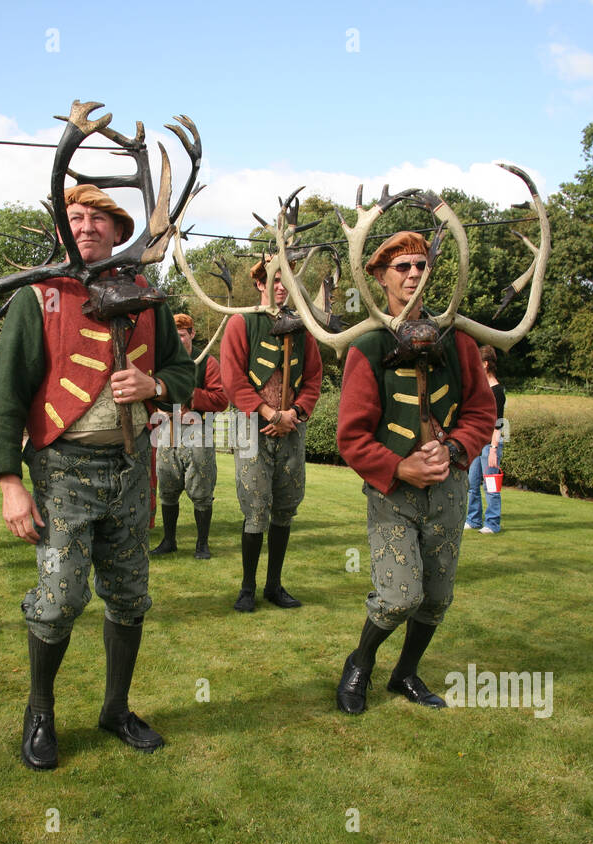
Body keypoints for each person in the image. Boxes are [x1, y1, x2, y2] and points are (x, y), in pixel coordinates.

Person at [0, 184, 194, 771]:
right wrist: (9, 481)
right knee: (58, 600)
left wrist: (155, 387)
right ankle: (40, 711)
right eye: (75, 218)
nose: (86, 227)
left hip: (131, 471)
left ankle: (115, 709)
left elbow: (182, 372)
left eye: (98, 219)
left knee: (130, 597)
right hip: (62, 470)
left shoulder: (147, 298)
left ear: (118, 229)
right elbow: (7, 394)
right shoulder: (41, 297)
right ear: (62, 229)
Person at [333, 231, 495, 714]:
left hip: (448, 489)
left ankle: (404, 673)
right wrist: (400, 465)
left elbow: (480, 412)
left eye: (421, 265)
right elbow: (352, 436)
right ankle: (359, 663)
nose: (413, 274)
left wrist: (457, 450)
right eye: (401, 266)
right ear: (381, 277)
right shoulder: (368, 345)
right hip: (393, 494)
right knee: (399, 594)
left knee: (438, 594)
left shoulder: (458, 341)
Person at [219, 257, 323, 611]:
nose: (282, 286)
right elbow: (232, 380)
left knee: (284, 509)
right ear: (260, 284)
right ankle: (247, 587)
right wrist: (269, 412)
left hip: (292, 428)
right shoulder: (241, 323)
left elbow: (312, 379)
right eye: (275, 279)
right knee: (255, 509)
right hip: (251, 427)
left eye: (287, 280)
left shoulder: (302, 327)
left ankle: (274, 585)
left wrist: (292, 414)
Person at [150, 312, 228, 559]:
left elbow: (221, 399)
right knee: (167, 487)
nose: (178, 340)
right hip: (166, 432)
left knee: (201, 490)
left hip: (197, 432)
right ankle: (169, 540)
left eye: (182, 335)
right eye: (173, 335)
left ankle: (202, 544)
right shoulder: (161, 360)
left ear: (192, 334)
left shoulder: (206, 362)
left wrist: (192, 397)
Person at [466, 345, 505, 534]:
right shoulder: (481, 388)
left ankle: (492, 523)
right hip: (478, 443)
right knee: (472, 484)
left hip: (490, 445)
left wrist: (494, 449)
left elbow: (499, 423)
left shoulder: (497, 391)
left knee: (491, 486)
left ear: (486, 364)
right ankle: (473, 519)